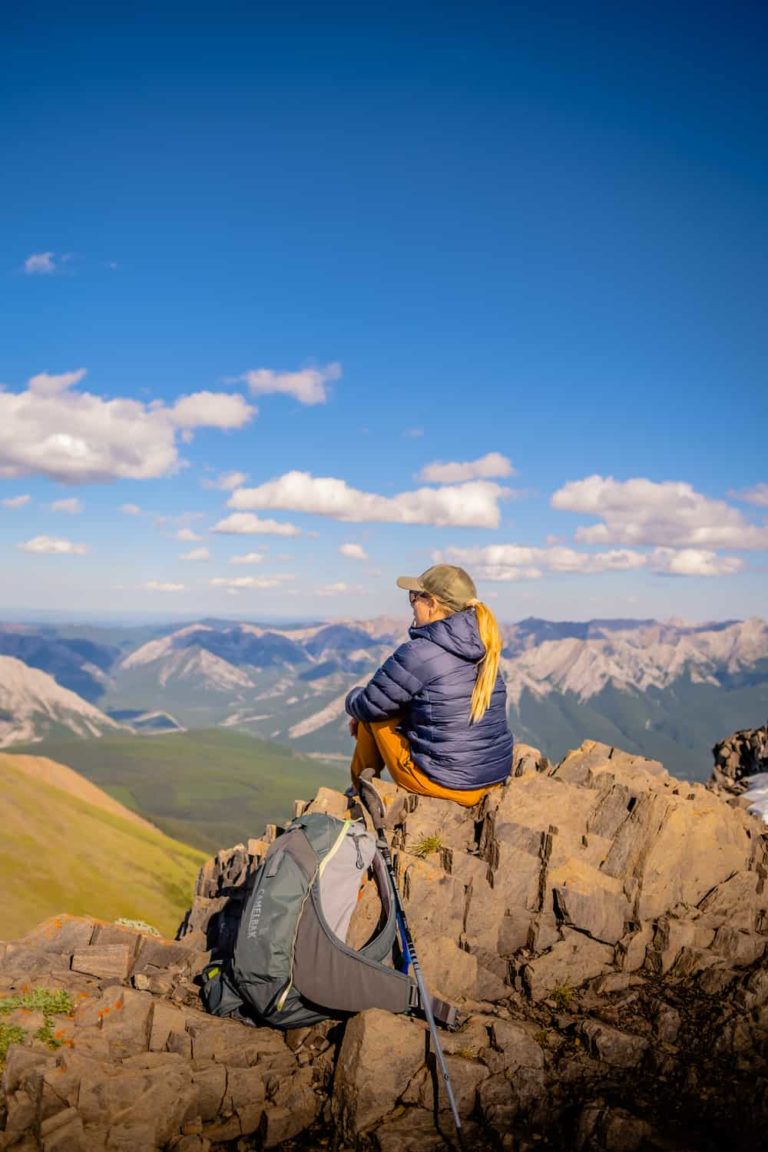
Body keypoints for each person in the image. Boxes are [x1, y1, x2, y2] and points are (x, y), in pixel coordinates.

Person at [345, 564, 513, 806]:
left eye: (414, 598)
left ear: (432, 603)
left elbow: (368, 704)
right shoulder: (485, 647)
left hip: (446, 784)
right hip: (492, 779)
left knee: (372, 716)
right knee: (385, 706)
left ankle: (358, 796)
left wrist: (353, 701)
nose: (412, 605)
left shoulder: (420, 652)